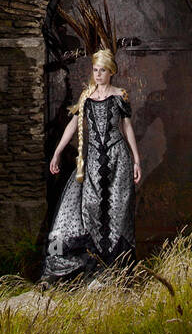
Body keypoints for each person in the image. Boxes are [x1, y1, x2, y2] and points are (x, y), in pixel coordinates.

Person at [40, 46, 142, 283]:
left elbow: (127, 127)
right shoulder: (86, 97)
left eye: (103, 70)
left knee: (117, 212)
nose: (98, 74)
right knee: (92, 209)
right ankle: (93, 269)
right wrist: (57, 152)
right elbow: (73, 125)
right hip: (93, 161)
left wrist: (136, 160)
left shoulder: (120, 96)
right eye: (95, 70)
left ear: (111, 72)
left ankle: (118, 271)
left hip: (118, 160)